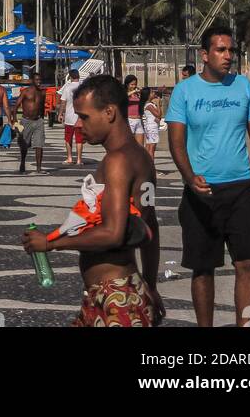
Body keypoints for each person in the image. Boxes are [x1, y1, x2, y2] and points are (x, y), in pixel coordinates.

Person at [164, 24, 250, 328]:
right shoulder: (185, 91)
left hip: (240, 187)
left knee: (247, 263)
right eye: (221, 50)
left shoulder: (242, 85)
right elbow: (176, 141)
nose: (228, 56)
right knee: (203, 268)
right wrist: (190, 177)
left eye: (231, 50)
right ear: (205, 55)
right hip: (201, 192)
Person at [23, 74, 164, 327]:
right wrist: (150, 285)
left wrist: (51, 243)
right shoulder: (141, 158)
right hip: (124, 292)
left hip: (114, 298)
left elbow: (113, 233)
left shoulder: (117, 161)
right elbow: (150, 226)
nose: (79, 124)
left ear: (109, 112)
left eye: (85, 116)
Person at [16, 71, 47, 173]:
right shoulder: (25, 91)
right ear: (32, 81)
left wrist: (42, 118)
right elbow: (16, 106)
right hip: (26, 120)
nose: (39, 82)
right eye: (37, 80)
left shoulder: (42, 92)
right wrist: (13, 120)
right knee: (24, 144)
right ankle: (22, 162)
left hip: (38, 120)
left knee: (39, 144)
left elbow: (42, 106)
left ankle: (39, 168)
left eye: (40, 80)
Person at [58, 69, 85, 166]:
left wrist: (60, 114)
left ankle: (69, 158)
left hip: (69, 117)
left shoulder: (67, 87)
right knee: (79, 139)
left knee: (68, 138)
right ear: (78, 76)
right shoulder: (83, 88)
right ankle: (79, 159)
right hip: (80, 118)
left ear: (70, 77)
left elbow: (63, 102)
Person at [140, 86, 163, 161]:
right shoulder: (149, 105)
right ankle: (152, 169)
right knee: (151, 149)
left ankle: (146, 167)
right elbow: (159, 114)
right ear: (148, 95)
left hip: (150, 127)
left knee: (148, 147)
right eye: (152, 92)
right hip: (152, 128)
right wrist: (159, 104)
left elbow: (158, 116)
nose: (154, 93)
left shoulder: (150, 104)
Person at [124, 76, 145, 146]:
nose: (134, 86)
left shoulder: (137, 94)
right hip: (130, 120)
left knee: (140, 146)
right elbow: (123, 96)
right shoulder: (125, 92)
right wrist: (134, 91)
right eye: (132, 84)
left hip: (138, 120)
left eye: (135, 84)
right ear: (127, 84)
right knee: (129, 145)